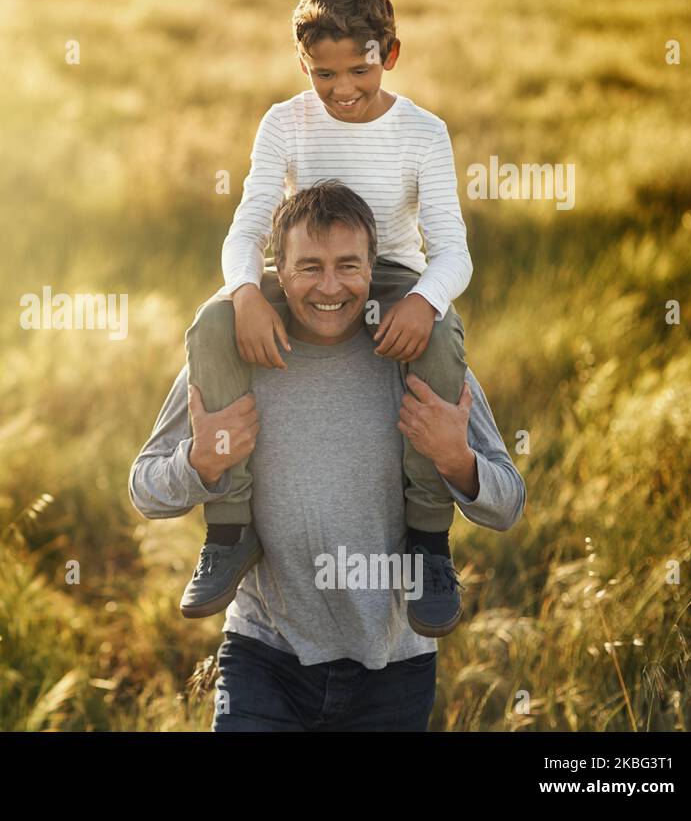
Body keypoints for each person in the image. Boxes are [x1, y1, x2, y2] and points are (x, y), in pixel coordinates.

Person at [128, 181, 524, 730]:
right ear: (276, 270)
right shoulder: (237, 353)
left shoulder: (415, 354)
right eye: (309, 267)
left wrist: (457, 460)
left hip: (395, 667)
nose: (330, 287)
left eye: (348, 265)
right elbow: (145, 488)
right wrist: (201, 462)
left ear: (373, 266)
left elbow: (508, 503)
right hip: (263, 651)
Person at [180, 0, 474, 638]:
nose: (342, 89)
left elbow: (453, 250)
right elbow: (250, 222)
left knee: (442, 336)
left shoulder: (424, 131)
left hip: (390, 272)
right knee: (212, 323)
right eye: (323, 74)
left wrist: (424, 301)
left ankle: (427, 541)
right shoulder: (284, 121)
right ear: (303, 65)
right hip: (302, 271)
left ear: (389, 53)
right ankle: (230, 527)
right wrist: (250, 288)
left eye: (359, 70)